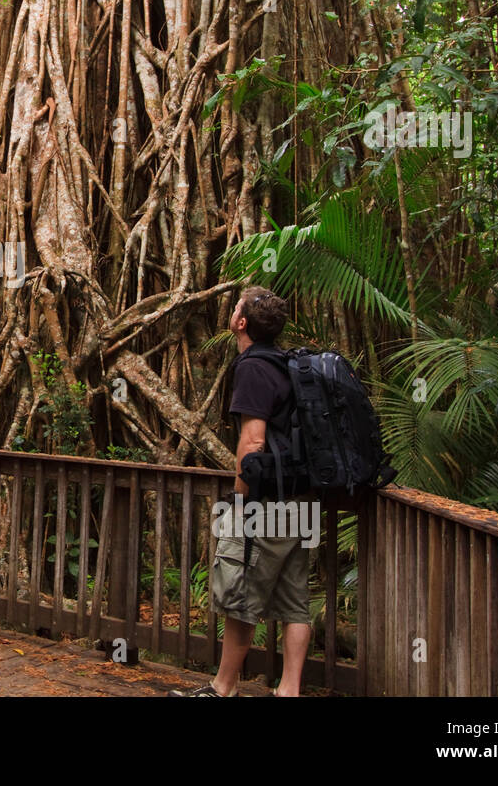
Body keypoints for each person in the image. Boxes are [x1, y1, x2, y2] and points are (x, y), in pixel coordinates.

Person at [171, 286, 313, 697]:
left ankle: (223, 688)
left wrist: (240, 500)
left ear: (242, 323)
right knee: (295, 602)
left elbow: (252, 443)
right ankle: (288, 691)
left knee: (240, 593)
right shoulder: (289, 364)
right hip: (300, 501)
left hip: (266, 503)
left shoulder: (252, 367)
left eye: (235, 307)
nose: (230, 312)